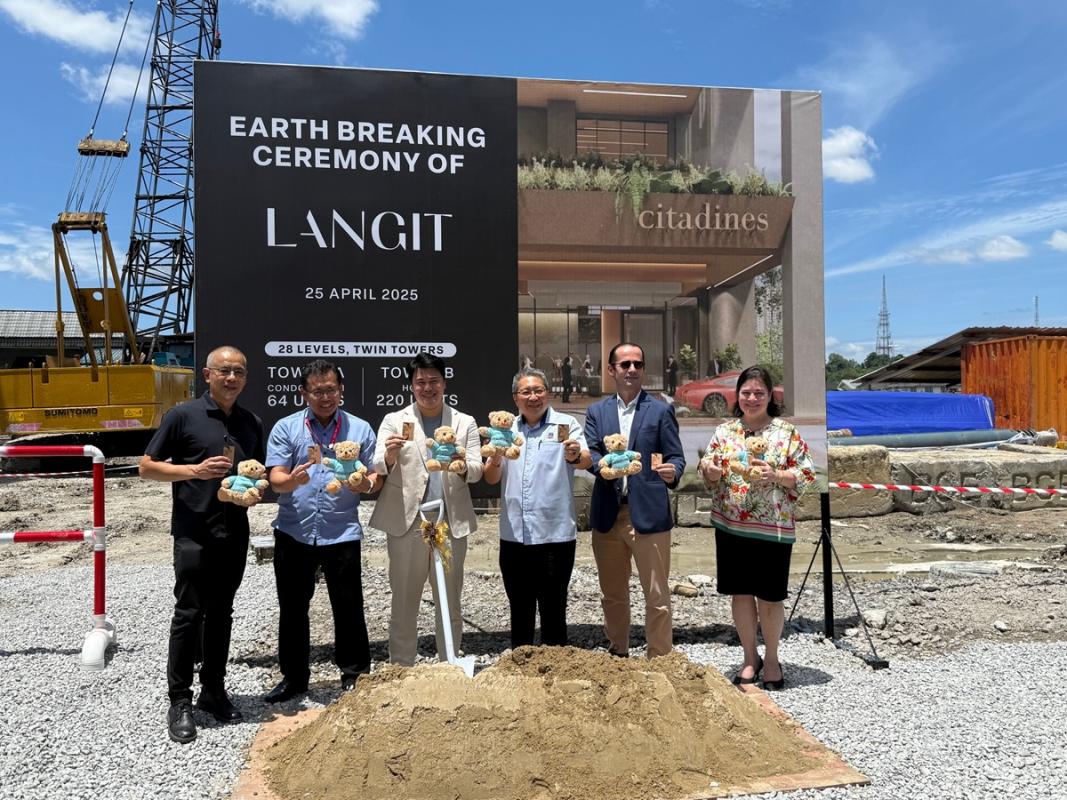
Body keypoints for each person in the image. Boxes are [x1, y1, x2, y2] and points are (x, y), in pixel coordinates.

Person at [140, 345, 266, 744]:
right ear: (208, 375)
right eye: (224, 371)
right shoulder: (182, 416)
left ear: (245, 378)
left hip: (234, 532)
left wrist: (256, 491)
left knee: (222, 612)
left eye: (239, 372)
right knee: (189, 613)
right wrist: (194, 470)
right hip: (194, 531)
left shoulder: (250, 422)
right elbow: (146, 467)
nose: (231, 378)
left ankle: (213, 690)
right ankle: (179, 701)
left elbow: (257, 474)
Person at [262, 359, 378, 703]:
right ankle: (294, 678)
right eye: (317, 391)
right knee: (292, 608)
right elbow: (275, 478)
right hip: (293, 531)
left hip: (342, 531)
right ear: (303, 393)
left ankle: (355, 674)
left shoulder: (360, 429)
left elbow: (376, 475)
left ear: (341, 390)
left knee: (348, 606)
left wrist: (365, 484)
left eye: (331, 390)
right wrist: (291, 480)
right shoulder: (286, 427)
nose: (325, 397)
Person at [698, 365, 815, 691]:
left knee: (770, 596)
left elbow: (807, 474)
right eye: (746, 393)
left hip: (772, 529)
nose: (751, 398)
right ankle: (750, 657)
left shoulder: (786, 433)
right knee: (740, 593)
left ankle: (773, 658)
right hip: (731, 526)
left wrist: (777, 475)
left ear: (770, 396)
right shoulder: (725, 432)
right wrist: (710, 471)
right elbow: (707, 469)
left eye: (758, 393)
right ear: (737, 395)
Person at [370, 353, 484, 665]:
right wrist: (389, 456)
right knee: (404, 602)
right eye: (420, 382)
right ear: (411, 385)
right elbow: (377, 464)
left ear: (444, 383)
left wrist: (461, 464)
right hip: (408, 523)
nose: (427, 388)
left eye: (434, 381)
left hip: (449, 522)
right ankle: (401, 668)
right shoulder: (395, 420)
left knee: (449, 600)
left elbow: (476, 470)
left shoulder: (464, 422)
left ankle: (450, 665)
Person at [584, 342, 685, 658]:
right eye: (625, 364)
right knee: (612, 595)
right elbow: (592, 454)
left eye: (637, 364)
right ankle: (618, 654)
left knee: (657, 595)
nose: (631, 369)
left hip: (649, 515)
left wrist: (673, 470)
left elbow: (676, 456)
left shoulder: (660, 410)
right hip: (608, 514)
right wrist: (601, 465)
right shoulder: (597, 412)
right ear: (611, 370)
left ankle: (660, 659)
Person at [483, 368, 592, 648]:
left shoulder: (566, 424)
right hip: (514, 535)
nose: (533, 397)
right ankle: (522, 666)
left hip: (554, 536)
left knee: (554, 609)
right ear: (515, 398)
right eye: (526, 392)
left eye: (538, 390)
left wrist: (574, 455)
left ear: (548, 393)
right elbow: (491, 478)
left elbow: (585, 459)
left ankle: (555, 669)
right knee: (519, 608)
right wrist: (495, 457)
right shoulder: (505, 431)